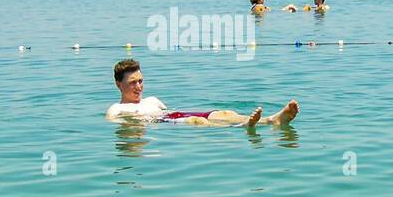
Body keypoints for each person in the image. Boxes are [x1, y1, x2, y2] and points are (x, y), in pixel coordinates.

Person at [105, 59, 299, 127]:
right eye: (132, 83)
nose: (138, 86)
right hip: (162, 122)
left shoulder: (152, 99)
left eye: (140, 81)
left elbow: (170, 111)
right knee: (197, 121)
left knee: (224, 114)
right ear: (118, 84)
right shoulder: (117, 108)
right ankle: (245, 126)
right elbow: (112, 123)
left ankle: (272, 120)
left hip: (172, 114)